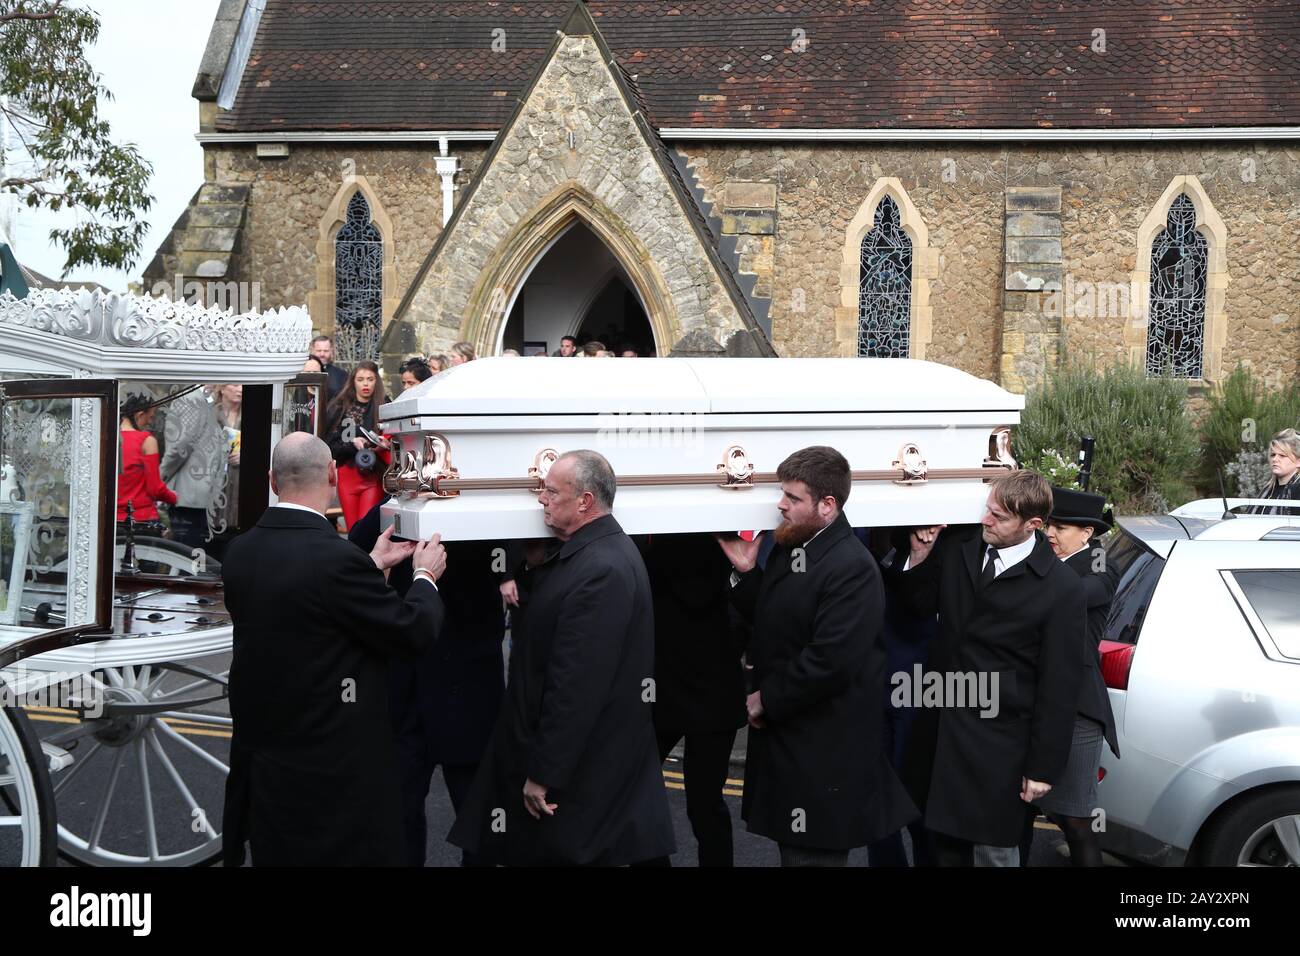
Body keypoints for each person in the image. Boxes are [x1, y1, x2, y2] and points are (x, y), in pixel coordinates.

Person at [221, 433, 448, 867]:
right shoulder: (334, 559)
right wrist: (424, 576)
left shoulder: (241, 551)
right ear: (331, 475)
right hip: (330, 771)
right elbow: (412, 632)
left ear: (272, 480)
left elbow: (310, 615)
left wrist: (371, 566)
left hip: (265, 764)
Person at [448, 450, 675, 865]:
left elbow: (576, 685)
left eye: (551, 491)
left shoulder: (601, 569)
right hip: (575, 765)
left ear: (585, 501)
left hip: (576, 776)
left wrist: (544, 773)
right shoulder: (587, 555)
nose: (541, 499)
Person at [716, 446, 917, 867]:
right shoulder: (800, 546)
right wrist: (747, 574)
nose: (780, 504)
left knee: (811, 858)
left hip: (824, 757)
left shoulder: (852, 567)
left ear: (827, 505)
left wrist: (765, 698)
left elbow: (830, 660)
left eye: (792, 498)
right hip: (795, 748)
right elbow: (778, 621)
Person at [888, 471, 1086, 867]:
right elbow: (918, 605)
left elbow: (1059, 685)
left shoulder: (1062, 588)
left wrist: (1042, 768)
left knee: (995, 855)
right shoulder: (960, 547)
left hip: (1002, 752)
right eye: (988, 510)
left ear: (1032, 525)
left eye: (998, 517)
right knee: (942, 853)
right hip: (942, 737)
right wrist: (919, 554)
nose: (985, 521)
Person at [349, 504, 505, 866]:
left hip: (465, 682)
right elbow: (355, 553)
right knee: (400, 813)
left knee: (478, 816)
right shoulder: (393, 510)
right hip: (409, 683)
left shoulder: (488, 514)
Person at [1015, 487, 1119, 867]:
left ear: (1088, 533)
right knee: (1018, 812)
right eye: (1048, 526)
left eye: (1061, 527)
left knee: (1075, 819)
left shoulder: (1099, 563)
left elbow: (1076, 593)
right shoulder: (1041, 558)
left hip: (1076, 707)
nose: (1051, 534)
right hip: (1029, 701)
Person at [641, 533, 747, 866]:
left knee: (638, 795)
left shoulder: (649, 552)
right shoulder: (717, 547)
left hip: (664, 688)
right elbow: (741, 620)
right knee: (706, 806)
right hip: (712, 691)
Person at [324, 361, 390, 530]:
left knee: (365, 528)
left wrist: (384, 443)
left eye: (370, 379)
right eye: (360, 379)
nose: (365, 384)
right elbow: (329, 445)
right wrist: (353, 443)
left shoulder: (385, 405)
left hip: (373, 474)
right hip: (347, 475)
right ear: (353, 381)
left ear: (377, 381)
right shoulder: (339, 406)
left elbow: (396, 439)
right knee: (353, 529)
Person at [160, 385, 226, 549]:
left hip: (193, 492)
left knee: (188, 553)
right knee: (189, 553)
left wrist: (161, 474)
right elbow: (182, 445)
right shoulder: (194, 398)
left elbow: (182, 445)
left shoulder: (198, 398)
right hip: (193, 491)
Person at [116, 393, 177, 535]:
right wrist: (175, 498)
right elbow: (155, 488)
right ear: (139, 414)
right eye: (150, 417)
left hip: (111, 520)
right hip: (141, 519)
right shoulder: (146, 441)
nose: (150, 423)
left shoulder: (106, 436)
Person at [1247, 428, 1300, 515]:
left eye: (1282, 455)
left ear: (1298, 462)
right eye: (1273, 455)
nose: (1275, 459)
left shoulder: (1297, 491)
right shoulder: (1266, 490)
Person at [310, 334, 349, 401]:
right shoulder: (303, 374)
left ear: (331, 351)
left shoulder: (342, 375)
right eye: (319, 351)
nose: (322, 354)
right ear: (313, 351)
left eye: (326, 351)